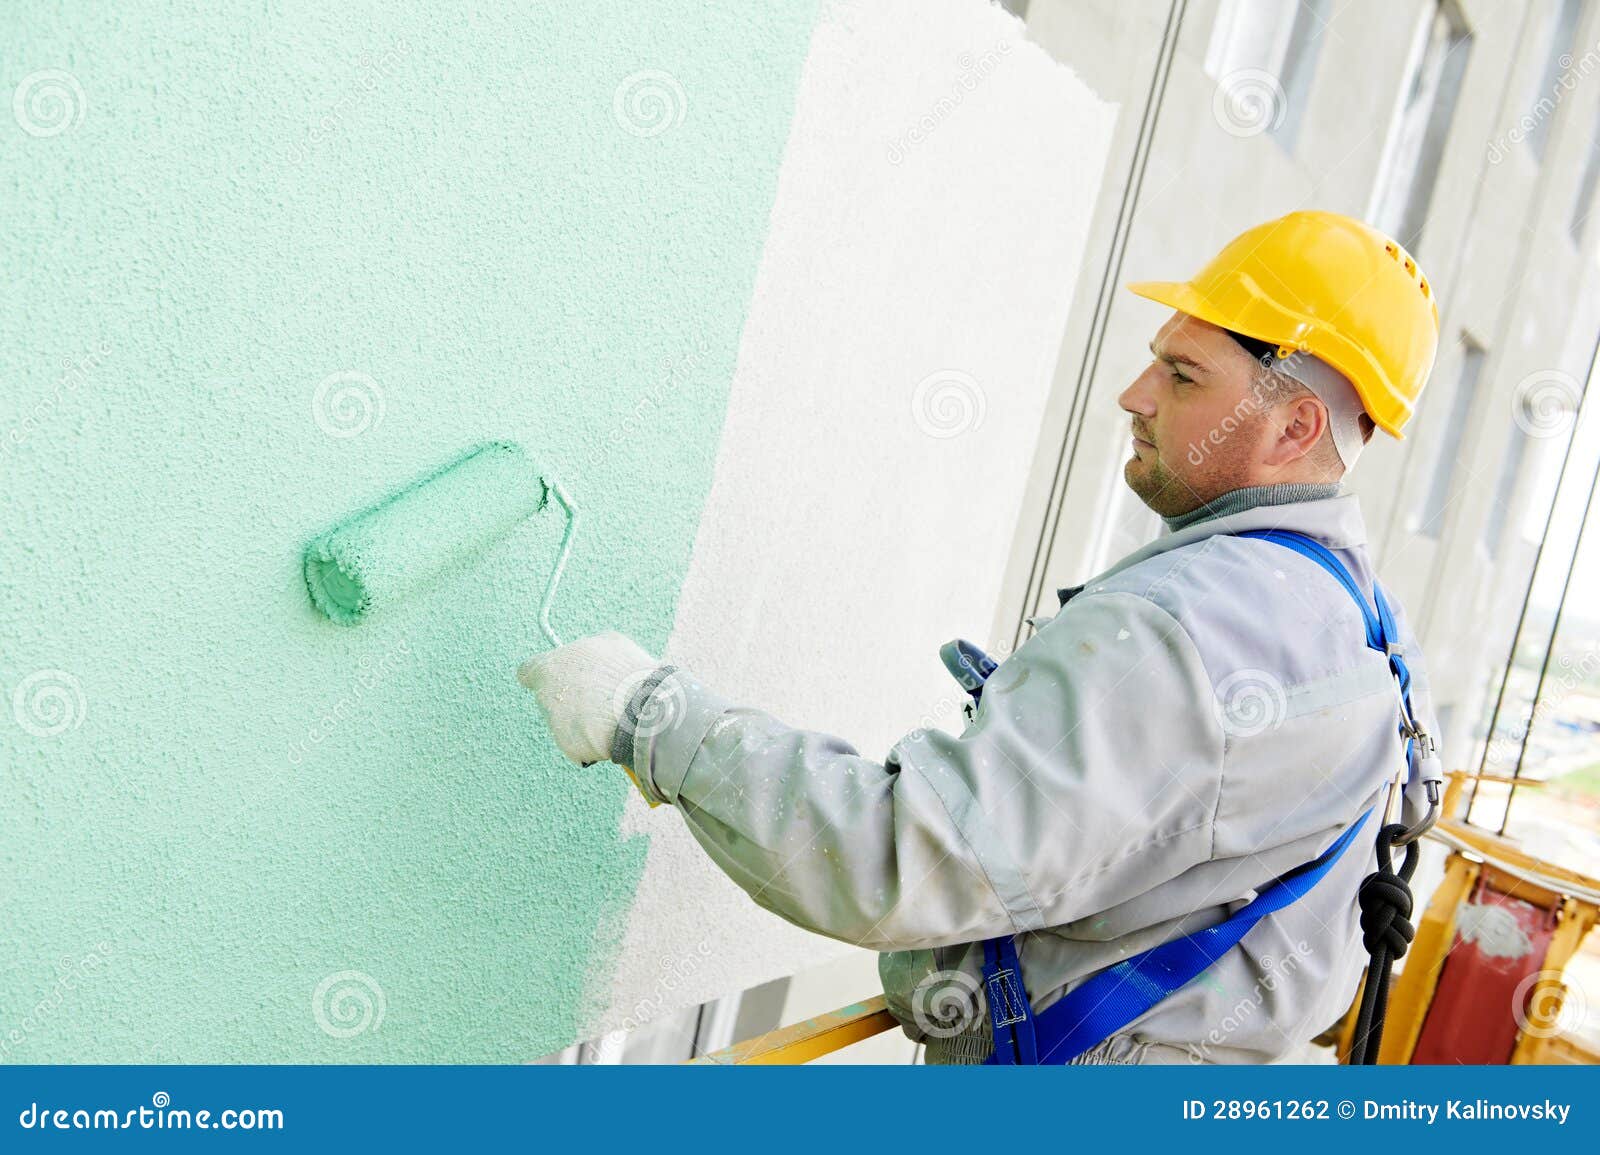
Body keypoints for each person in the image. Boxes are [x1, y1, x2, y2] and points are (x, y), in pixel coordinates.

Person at [518, 210, 1445, 1064]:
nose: (1133, 394)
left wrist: (646, 716)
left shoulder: (1186, 630)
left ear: (1293, 425)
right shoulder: (1359, 626)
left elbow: (906, 859)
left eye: (1183, 373)